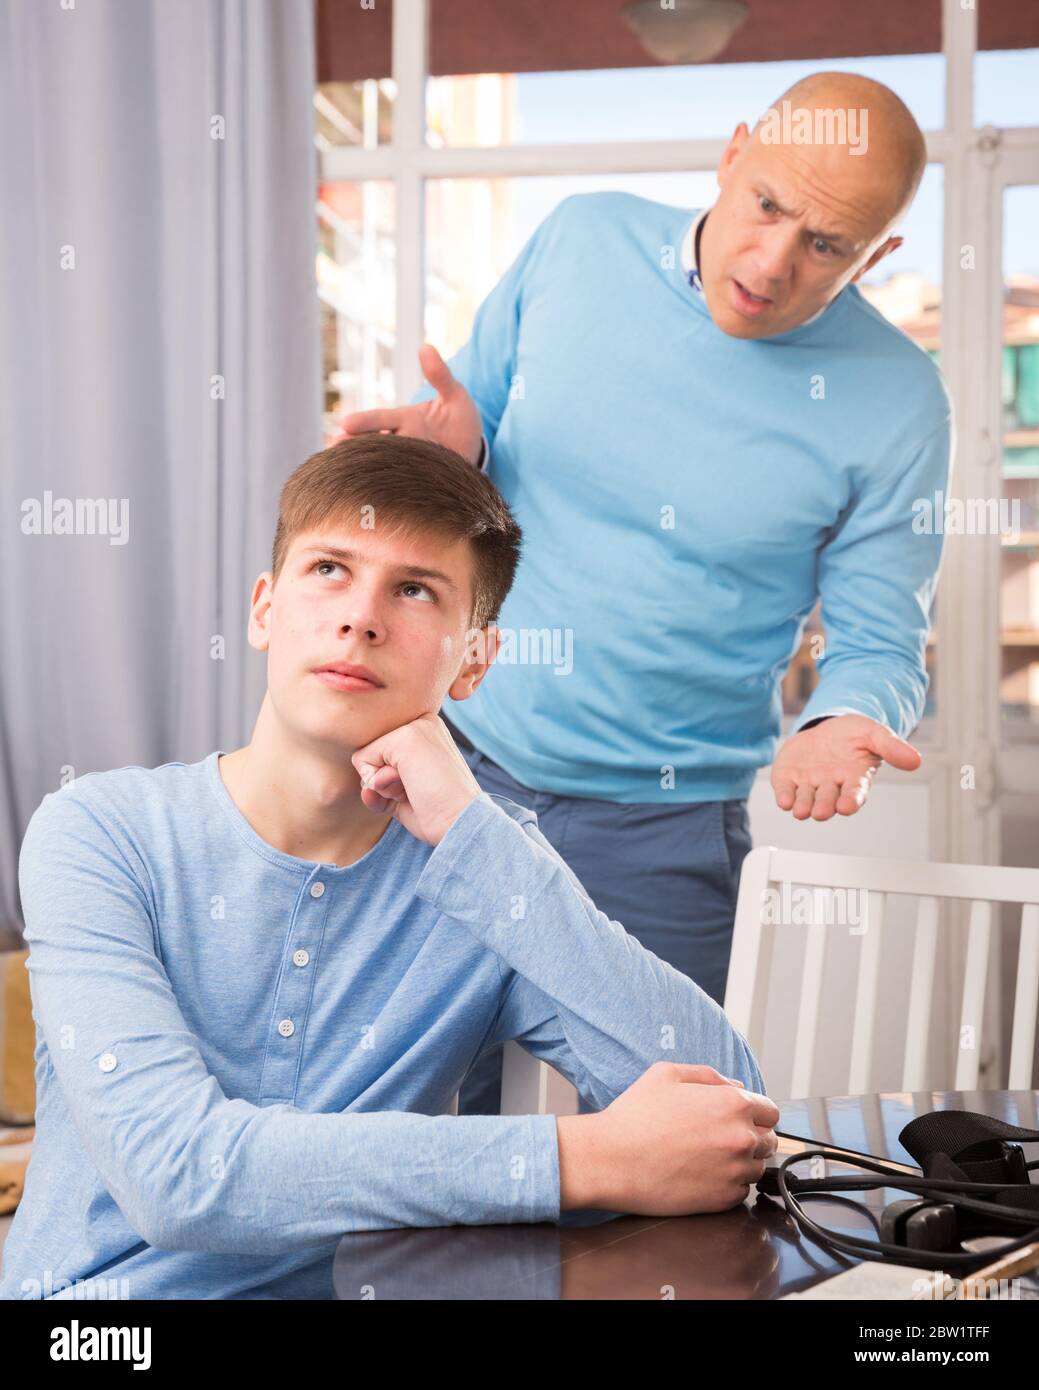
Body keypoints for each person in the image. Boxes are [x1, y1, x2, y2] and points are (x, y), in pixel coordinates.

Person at [0, 434, 777, 1301]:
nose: (360, 617)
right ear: (265, 609)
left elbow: (728, 1112)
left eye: (413, 590)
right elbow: (179, 1177)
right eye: (329, 569)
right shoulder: (99, 832)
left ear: (474, 661)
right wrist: (583, 1158)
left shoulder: (483, 863)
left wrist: (473, 831)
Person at [342, 71, 952, 1115]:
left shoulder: (898, 398)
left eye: (827, 245)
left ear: (876, 257)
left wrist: (845, 716)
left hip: (662, 836)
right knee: (411, 1127)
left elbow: (881, 636)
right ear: (729, 155)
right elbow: (474, 430)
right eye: (768, 204)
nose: (769, 265)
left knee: (680, 1146)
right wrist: (463, 447)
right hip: (458, 777)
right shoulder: (580, 241)